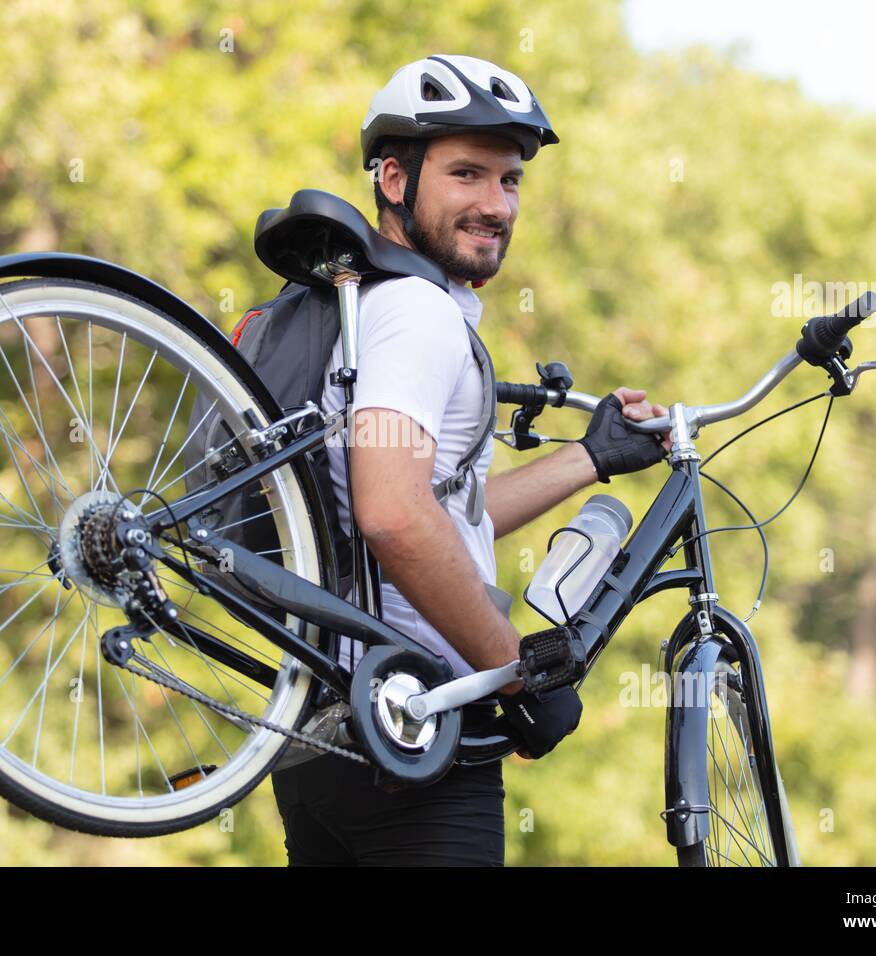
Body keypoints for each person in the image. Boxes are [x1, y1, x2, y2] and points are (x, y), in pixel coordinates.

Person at [270, 54, 672, 866]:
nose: (495, 205)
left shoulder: (366, 308)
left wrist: (589, 459)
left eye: (511, 181)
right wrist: (518, 675)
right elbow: (391, 513)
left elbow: (439, 510)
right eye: (466, 174)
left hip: (326, 731)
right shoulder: (418, 311)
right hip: (416, 723)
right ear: (392, 178)